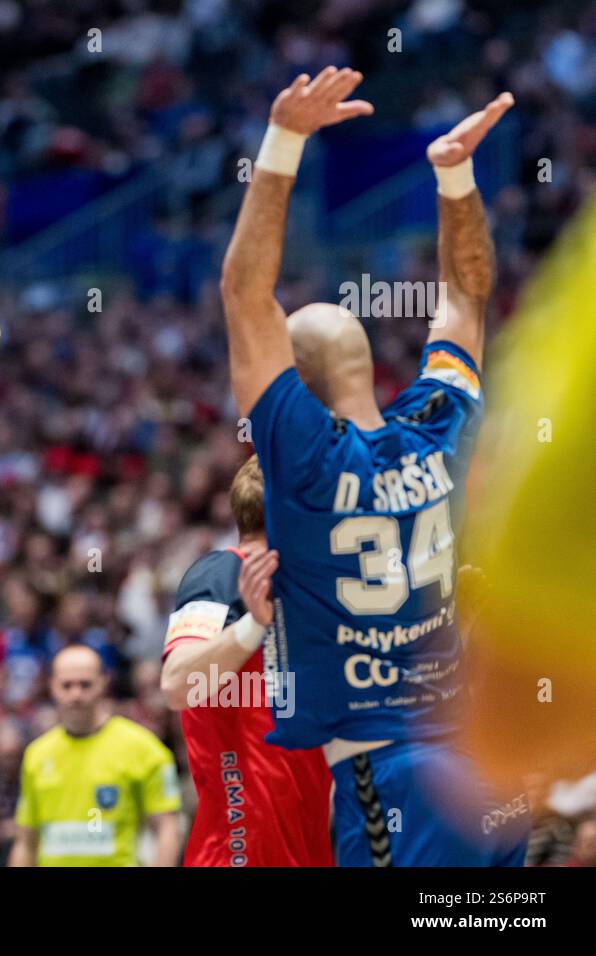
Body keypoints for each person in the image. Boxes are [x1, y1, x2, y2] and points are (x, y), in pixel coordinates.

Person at [219, 65, 527, 865]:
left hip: (398, 776)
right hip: (486, 770)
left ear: (300, 390)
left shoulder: (305, 457)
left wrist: (284, 138)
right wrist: (455, 176)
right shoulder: (436, 424)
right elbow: (465, 292)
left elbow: (244, 294)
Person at [160, 456, 333, 865]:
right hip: (237, 853)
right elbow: (176, 684)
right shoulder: (222, 574)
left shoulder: (313, 598)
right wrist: (251, 628)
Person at [9, 644, 182, 866]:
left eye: (85, 684)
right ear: (52, 686)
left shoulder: (144, 749)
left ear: (104, 683)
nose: (76, 694)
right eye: (67, 685)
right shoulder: (37, 755)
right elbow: (26, 843)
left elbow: (167, 828)